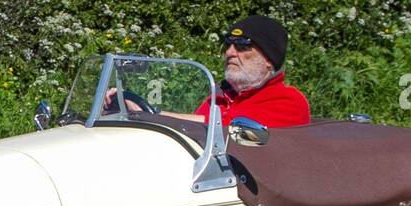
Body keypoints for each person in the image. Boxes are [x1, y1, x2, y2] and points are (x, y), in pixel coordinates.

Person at [105, 15, 311, 128]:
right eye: (228, 44)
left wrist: (148, 112)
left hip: (255, 194)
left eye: (242, 45)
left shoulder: (289, 102)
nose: (230, 52)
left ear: (268, 59)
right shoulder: (220, 95)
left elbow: (223, 128)